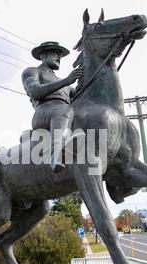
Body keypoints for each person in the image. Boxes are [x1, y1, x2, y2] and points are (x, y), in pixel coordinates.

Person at [22, 41, 84, 173]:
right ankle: (56, 153)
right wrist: (67, 81)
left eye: (60, 55)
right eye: (55, 53)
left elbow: (81, 95)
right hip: (44, 113)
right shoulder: (32, 71)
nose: (58, 57)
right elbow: (34, 91)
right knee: (64, 109)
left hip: (66, 114)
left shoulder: (65, 84)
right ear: (43, 55)